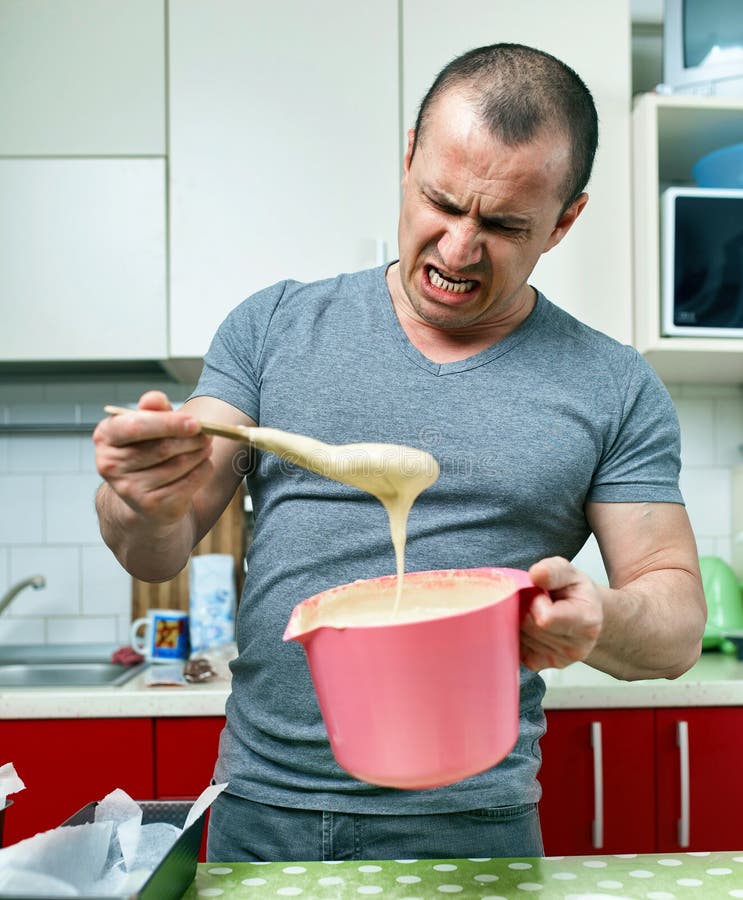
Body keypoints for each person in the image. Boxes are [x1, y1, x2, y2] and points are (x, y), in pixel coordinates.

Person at [93, 43, 706, 861]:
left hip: (474, 825)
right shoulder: (274, 328)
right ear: (408, 153)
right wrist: (138, 497)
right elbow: (154, 544)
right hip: (263, 812)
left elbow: (674, 629)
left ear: (563, 221)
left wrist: (600, 618)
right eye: (440, 203)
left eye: (501, 224)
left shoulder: (611, 384)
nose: (456, 250)